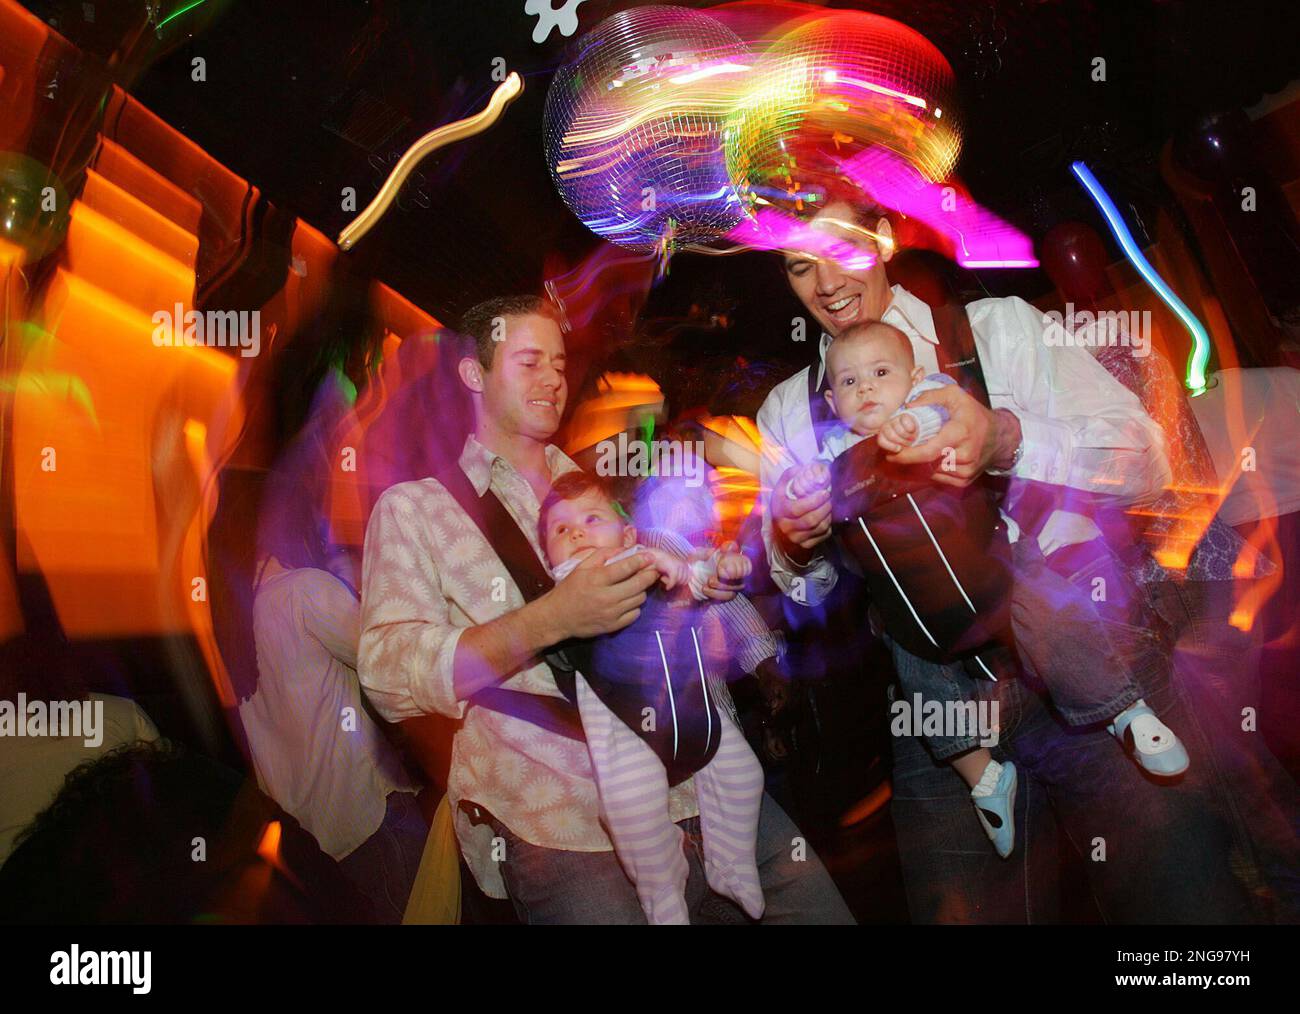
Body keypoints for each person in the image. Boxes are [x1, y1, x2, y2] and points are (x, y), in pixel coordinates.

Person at [757, 192, 1252, 923]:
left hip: (1090, 664)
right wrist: (795, 547)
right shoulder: (790, 410)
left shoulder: (997, 329)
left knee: (1189, 921)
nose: (825, 282)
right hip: (939, 707)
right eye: (800, 266)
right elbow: (804, 594)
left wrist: (1007, 439)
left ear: (886, 238)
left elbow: (1145, 458)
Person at [359, 294, 854, 923]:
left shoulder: (602, 490)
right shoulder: (416, 508)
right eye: (530, 362)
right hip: (564, 825)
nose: (553, 381)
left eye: (560, 365)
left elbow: (669, 599)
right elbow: (385, 672)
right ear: (473, 375)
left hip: (703, 768)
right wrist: (550, 622)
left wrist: (705, 594)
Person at [783, 320, 1191, 857]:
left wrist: (911, 425)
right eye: (850, 382)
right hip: (912, 609)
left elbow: (936, 415)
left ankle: (1124, 711)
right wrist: (796, 498)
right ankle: (984, 777)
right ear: (833, 401)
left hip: (996, 565)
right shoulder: (830, 456)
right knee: (921, 687)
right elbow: (801, 498)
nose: (866, 389)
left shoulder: (930, 404)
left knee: (1055, 619)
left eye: (881, 374)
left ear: (913, 377)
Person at [538, 470, 766, 924]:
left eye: (590, 518)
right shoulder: (568, 582)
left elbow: (698, 580)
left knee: (746, 775)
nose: (578, 532)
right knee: (633, 812)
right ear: (549, 558)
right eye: (561, 531)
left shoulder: (649, 557)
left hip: (689, 702)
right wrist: (659, 565)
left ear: (626, 533)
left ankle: (731, 862)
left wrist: (721, 568)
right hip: (621, 724)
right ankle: (662, 894)